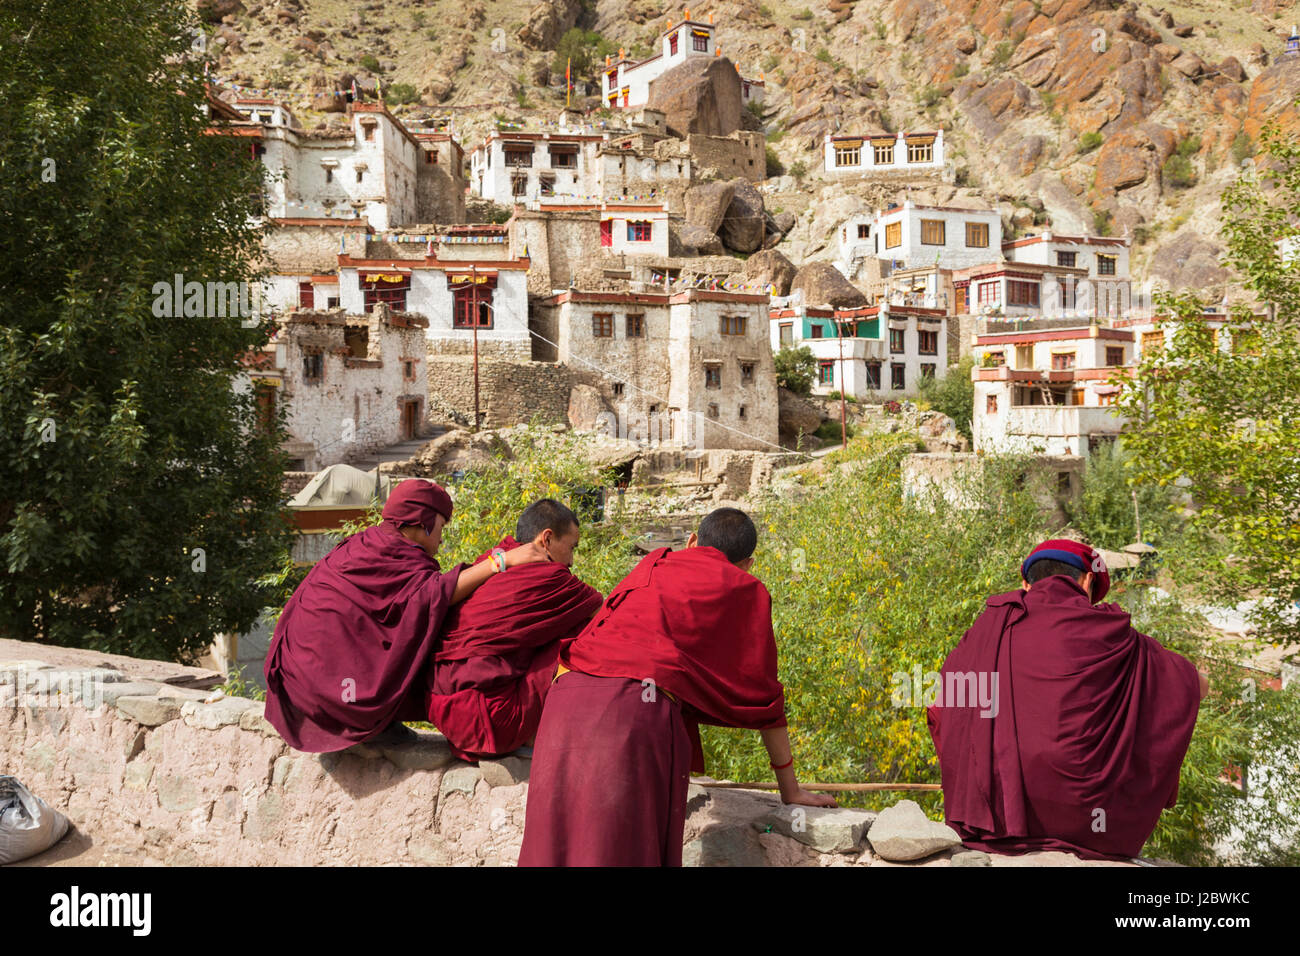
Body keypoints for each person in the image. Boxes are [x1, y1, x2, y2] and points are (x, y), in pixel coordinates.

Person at [518, 507, 835, 867]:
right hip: (631, 711)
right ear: (747, 563)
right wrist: (789, 789)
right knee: (617, 850)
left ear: (691, 541)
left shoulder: (655, 561)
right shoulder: (747, 588)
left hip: (564, 698)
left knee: (551, 845)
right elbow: (766, 699)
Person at [927, 538, 1207, 861]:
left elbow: (941, 710)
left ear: (1026, 584)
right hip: (1092, 826)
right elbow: (1195, 686)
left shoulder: (991, 626)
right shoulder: (1115, 635)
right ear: (1088, 581)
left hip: (996, 823)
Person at [264, 478, 546, 753]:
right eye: (440, 527)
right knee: (442, 644)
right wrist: (500, 562)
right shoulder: (390, 553)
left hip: (296, 684)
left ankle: (380, 720)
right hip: (331, 695)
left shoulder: (361, 544)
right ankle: (371, 720)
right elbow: (430, 597)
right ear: (423, 522)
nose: (441, 537)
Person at [424, 499, 603, 761]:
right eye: (572, 547)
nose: (573, 560)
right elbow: (611, 614)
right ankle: (542, 733)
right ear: (547, 539)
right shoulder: (553, 578)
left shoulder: (493, 559)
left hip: (444, 714)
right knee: (585, 629)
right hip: (494, 725)